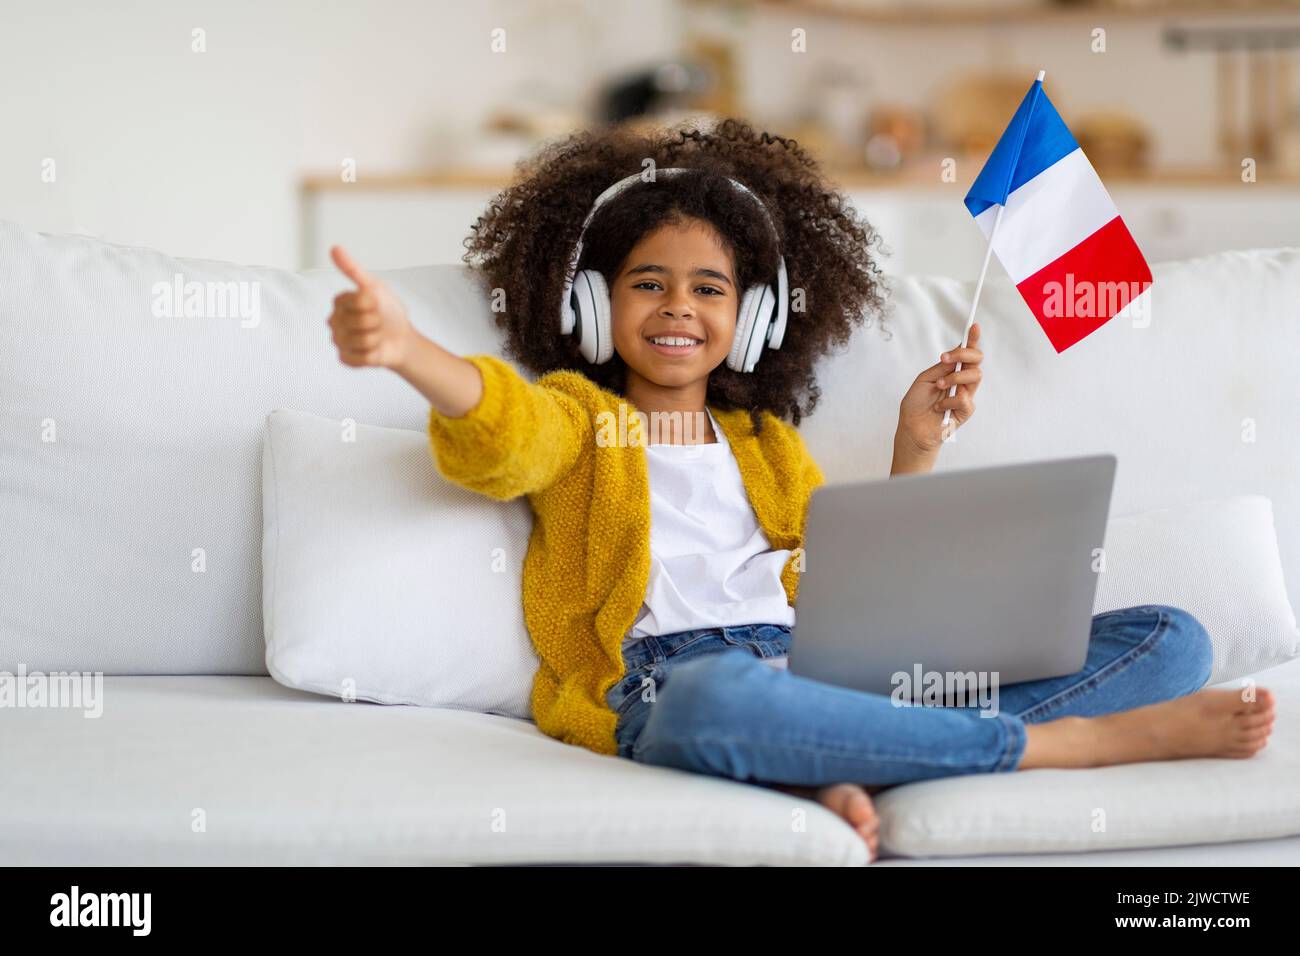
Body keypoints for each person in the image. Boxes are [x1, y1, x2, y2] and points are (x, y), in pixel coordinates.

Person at [325, 119, 1275, 862]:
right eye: (647, 284)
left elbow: (859, 586)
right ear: (592, 304)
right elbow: (505, 435)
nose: (678, 309)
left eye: (708, 289)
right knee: (714, 706)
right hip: (677, 680)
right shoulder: (580, 417)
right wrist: (410, 352)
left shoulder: (769, 449)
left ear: (752, 317)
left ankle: (840, 755)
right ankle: (1068, 748)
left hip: (823, 671)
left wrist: (916, 443)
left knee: (1172, 639)